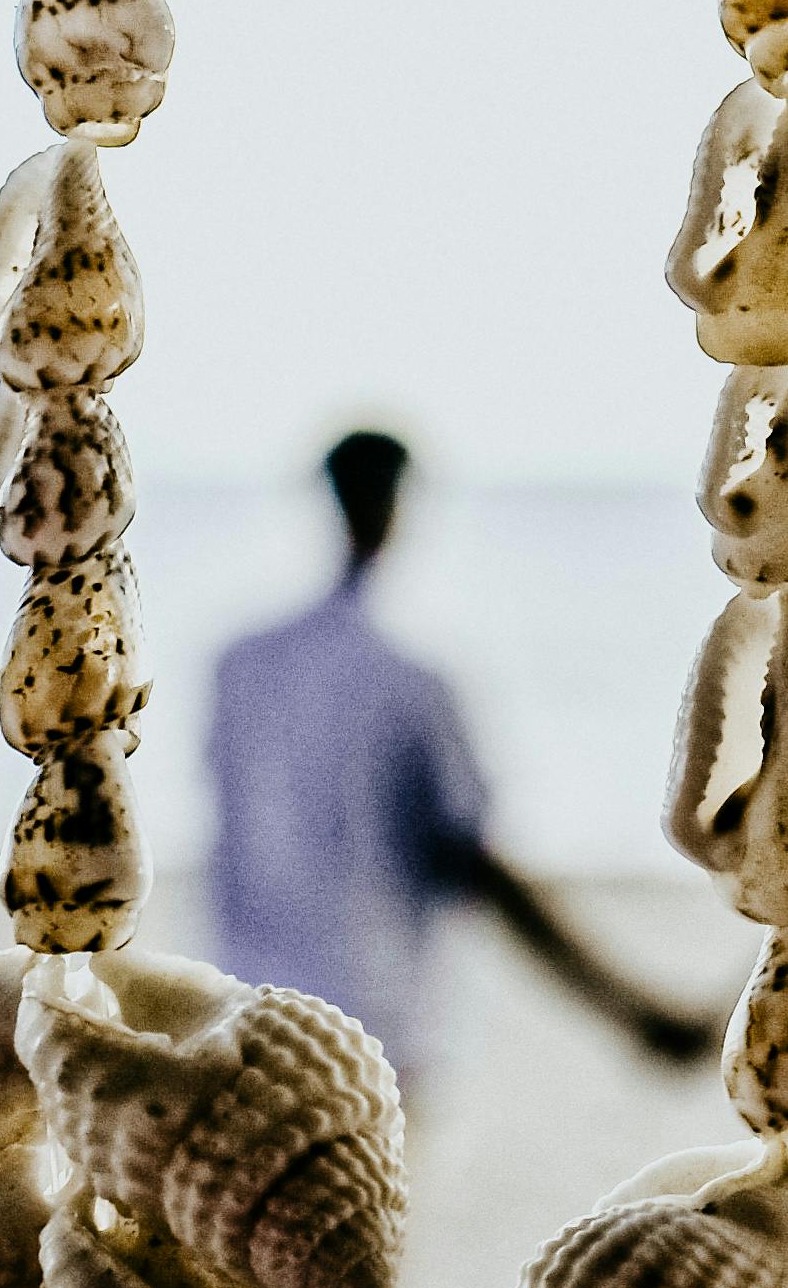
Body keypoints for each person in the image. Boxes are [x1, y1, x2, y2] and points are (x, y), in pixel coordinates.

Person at [202, 431, 717, 1097]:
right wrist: (633, 1008)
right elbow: (476, 864)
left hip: (241, 1017)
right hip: (370, 1029)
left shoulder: (239, 664)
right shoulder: (412, 681)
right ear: (398, 506)